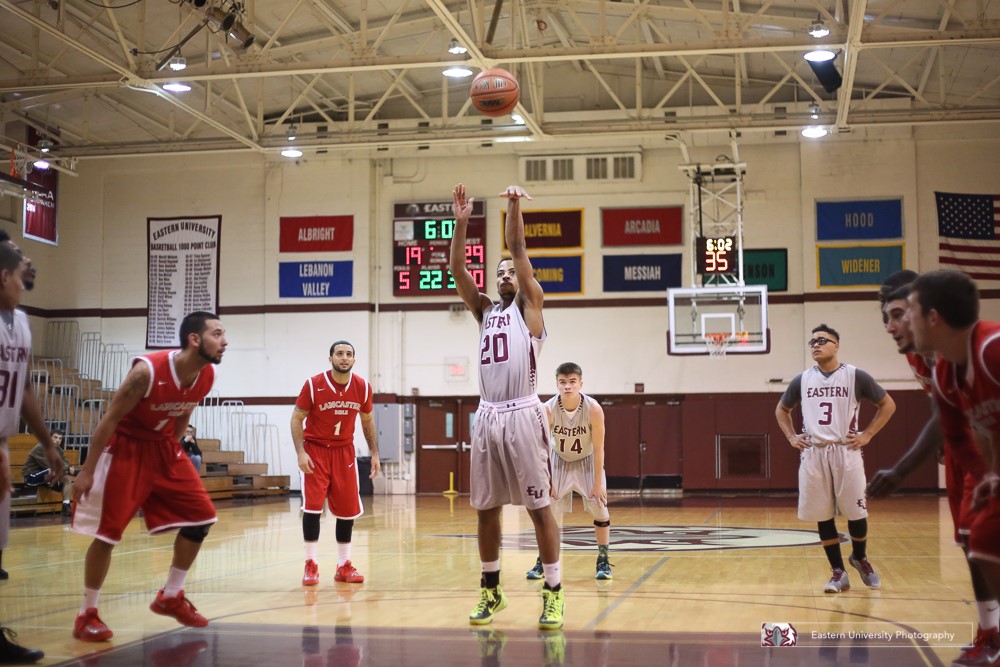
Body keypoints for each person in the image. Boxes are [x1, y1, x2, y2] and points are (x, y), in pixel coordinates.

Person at [71, 311, 227, 642]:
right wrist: (87, 470)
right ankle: (87, 614)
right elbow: (110, 419)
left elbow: (184, 411)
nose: (224, 341)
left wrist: (175, 453)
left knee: (202, 517)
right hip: (125, 449)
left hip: (163, 448)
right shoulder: (146, 373)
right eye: (217, 334)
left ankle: (171, 595)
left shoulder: (206, 375)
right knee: (108, 535)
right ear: (194, 339)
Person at [450, 183, 564, 630]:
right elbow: (458, 268)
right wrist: (461, 223)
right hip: (488, 415)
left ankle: (553, 593)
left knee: (539, 510)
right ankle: (491, 590)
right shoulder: (483, 311)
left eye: (510, 271)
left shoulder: (530, 306)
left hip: (522, 412)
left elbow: (516, 246)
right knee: (485, 510)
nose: (504, 274)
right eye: (498, 271)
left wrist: (513, 205)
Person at [867, 273, 997, 663]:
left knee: (984, 543)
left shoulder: (984, 348)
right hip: (974, 452)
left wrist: (902, 470)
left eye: (897, 313)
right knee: (978, 544)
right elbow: (947, 420)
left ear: (923, 313)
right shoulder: (935, 364)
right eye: (885, 315)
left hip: (984, 445)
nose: (890, 326)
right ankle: (990, 633)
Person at [907, 270, 1000, 666]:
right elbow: (958, 440)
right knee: (982, 539)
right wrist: (987, 476)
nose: (905, 321)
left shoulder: (992, 348)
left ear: (933, 317)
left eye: (909, 310)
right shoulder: (945, 373)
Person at [775, 323, 896, 594]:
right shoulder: (802, 379)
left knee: (856, 511)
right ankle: (838, 572)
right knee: (823, 514)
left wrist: (868, 434)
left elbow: (888, 404)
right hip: (814, 452)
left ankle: (860, 558)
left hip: (846, 450)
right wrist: (792, 437)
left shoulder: (855, 376)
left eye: (822, 340)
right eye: (812, 342)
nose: (816, 345)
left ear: (836, 345)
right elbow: (782, 410)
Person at [0, 242, 62, 664]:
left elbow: (23, 389)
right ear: (4, 275)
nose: (30, 263)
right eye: (21, 258)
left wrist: (46, 442)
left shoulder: (21, 322)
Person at [291, 340, 380, 587]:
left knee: (347, 510)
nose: (344, 357)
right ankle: (311, 564)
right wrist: (300, 452)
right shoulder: (313, 384)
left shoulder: (362, 387)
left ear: (354, 360)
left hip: (344, 452)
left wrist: (374, 453)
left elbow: (367, 421)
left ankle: (344, 565)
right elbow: (297, 418)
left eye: (349, 354)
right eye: (339, 354)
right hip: (316, 451)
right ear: (330, 359)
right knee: (312, 509)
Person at [526, 362, 612, 581]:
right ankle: (542, 560)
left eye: (572, 382)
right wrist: (549, 480)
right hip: (559, 460)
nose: (567, 386)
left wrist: (597, 483)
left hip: (587, 459)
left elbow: (600, 446)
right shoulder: (548, 409)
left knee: (600, 509)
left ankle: (603, 560)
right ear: (557, 384)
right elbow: (542, 447)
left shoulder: (593, 409)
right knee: (547, 513)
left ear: (580, 384)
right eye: (563, 382)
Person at [22, 429, 78, 516]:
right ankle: (76, 472)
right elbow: (52, 466)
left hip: (48, 477)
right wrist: (68, 469)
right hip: (31, 477)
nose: (58, 440)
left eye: (60, 438)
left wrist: (66, 468)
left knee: (67, 479)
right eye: (55, 437)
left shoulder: (59, 450)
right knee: (53, 470)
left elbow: (66, 462)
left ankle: (66, 506)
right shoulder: (41, 447)